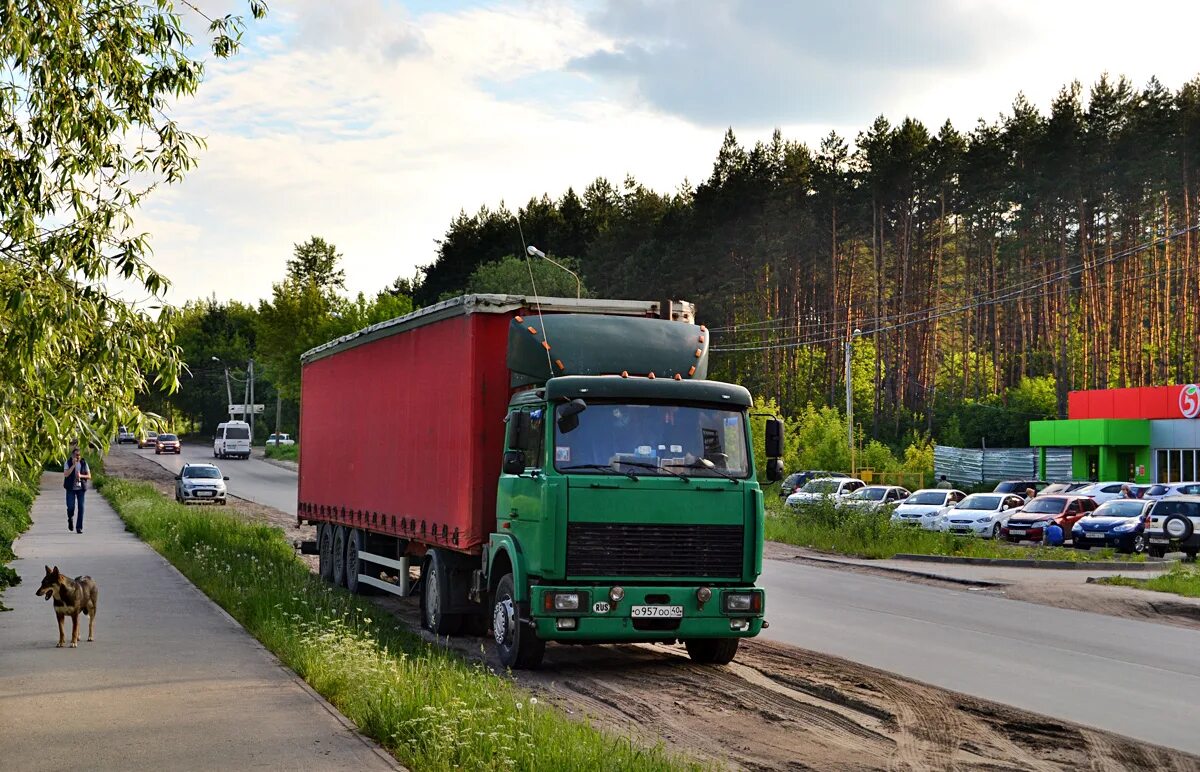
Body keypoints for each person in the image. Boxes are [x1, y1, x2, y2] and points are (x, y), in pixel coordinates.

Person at [63, 447, 91, 534]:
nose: (78, 457)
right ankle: (70, 518)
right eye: (76, 455)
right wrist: (74, 465)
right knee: (71, 507)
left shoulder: (83, 463)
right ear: (72, 455)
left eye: (79, 455)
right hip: (71, 488)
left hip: (81, 488)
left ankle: (79, 527)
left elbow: (89, 476)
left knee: (81, 507)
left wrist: (81, 476)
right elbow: (66, 474)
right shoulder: (67, 463)